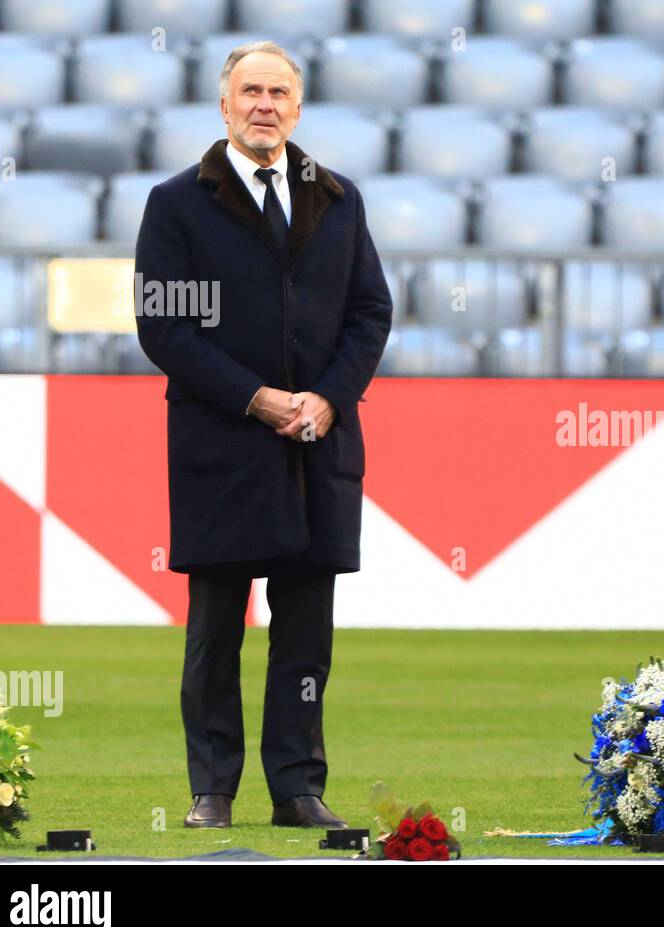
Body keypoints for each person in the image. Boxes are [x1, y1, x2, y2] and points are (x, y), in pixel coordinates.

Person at [134, 41, 393, 828]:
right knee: (216, 628)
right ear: (224, 105)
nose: (264, 104)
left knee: (306, 635)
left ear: (298, 107)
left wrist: (329, 397)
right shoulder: (176, 203)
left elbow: (369, 312)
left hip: (318, 450)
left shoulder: (339, 199)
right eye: (250, 90)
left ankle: (297, 789)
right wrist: (255, 399)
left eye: (279, 91)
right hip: (223, 450)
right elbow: (164, 327)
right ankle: (211, 789)